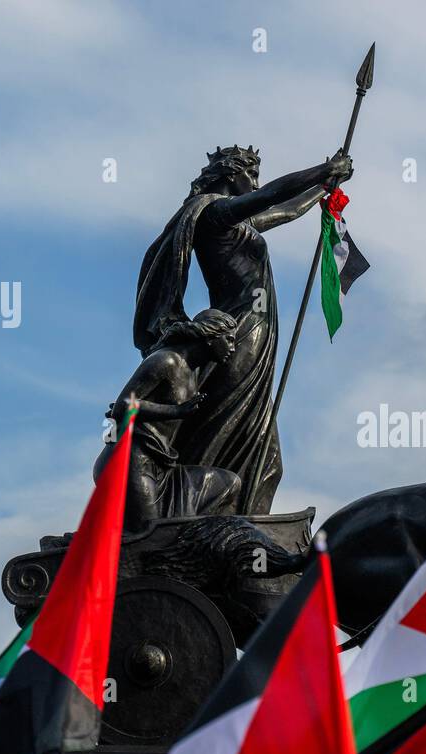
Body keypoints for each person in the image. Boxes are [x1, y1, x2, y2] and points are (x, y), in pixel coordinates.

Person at [133, 144, 354, 514]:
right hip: (239, 335)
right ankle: (203, 519)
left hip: (255, 334)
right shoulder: (214, 214)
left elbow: (283, 211)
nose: (255, 183)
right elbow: (270, 196)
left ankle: (245, 528)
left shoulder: (236, 222)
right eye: (250, 174)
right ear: (232, 173)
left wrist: (326, 186)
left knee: (267, 462)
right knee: (228, 433)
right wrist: (322, 169)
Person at [96, 308, 242, 531]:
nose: (233, 348)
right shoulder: (166, 360)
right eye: (229, 340)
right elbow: (123, 405)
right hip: (131, 461)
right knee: (151, 535)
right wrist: (177, 411)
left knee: (229, 483)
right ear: (211, 336)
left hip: (163, 466)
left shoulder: (193, 373)